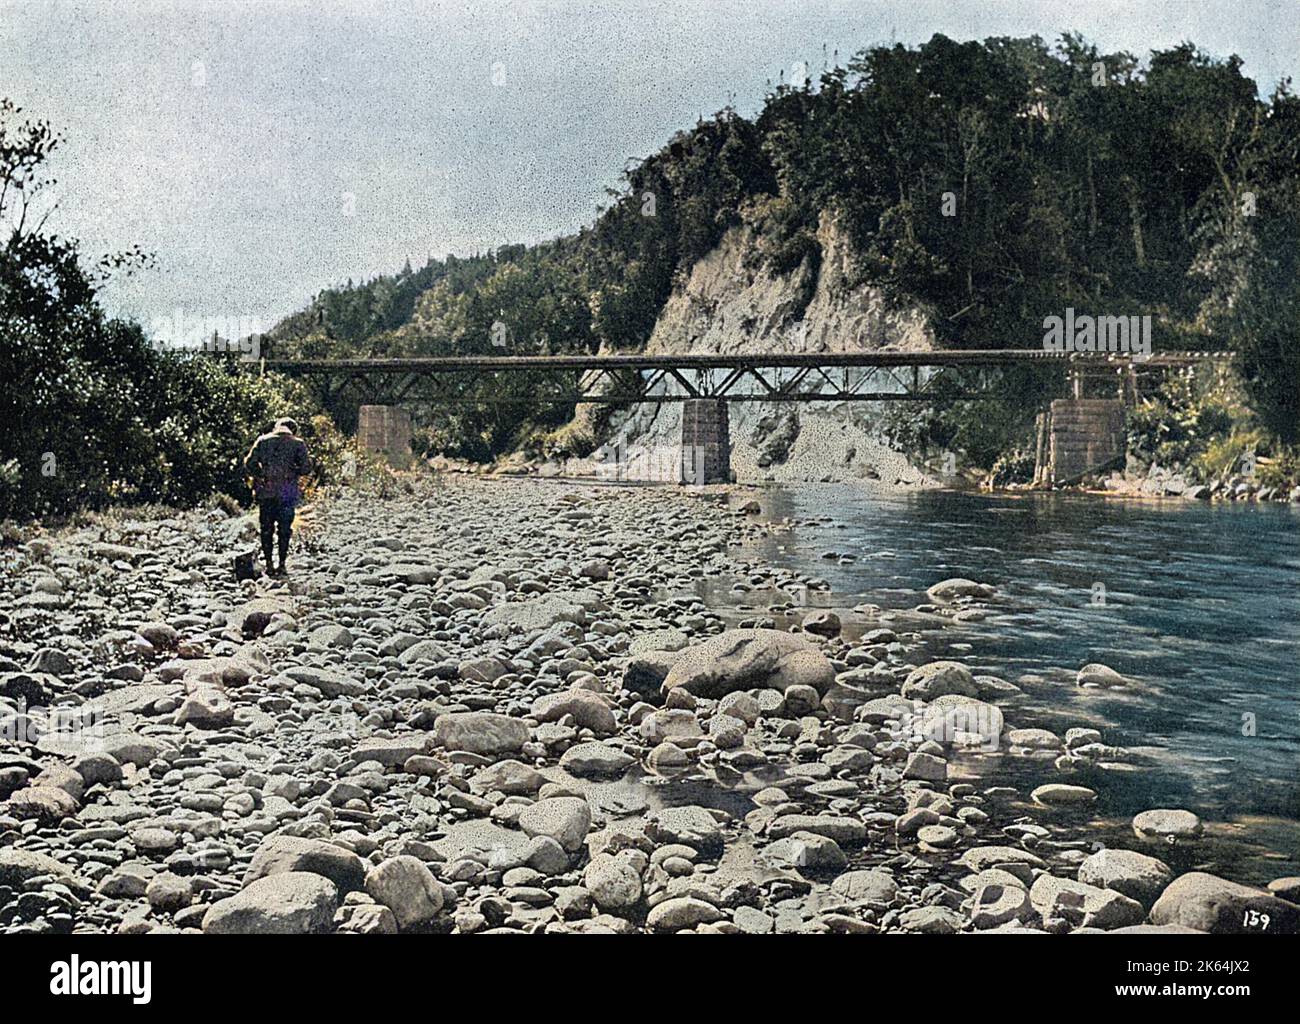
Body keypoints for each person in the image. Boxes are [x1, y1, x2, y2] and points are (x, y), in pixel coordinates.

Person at [243, 417, 310, 577]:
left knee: (266, 529)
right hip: (287, 493)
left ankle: (269, 564)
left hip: (266, 492)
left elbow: (249, 463)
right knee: (284, 530)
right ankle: (282, 564)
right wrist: (293, 472)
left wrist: (262, 475)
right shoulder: (298, 444)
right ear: (293, 430)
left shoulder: (262, 441)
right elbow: (306, 468)